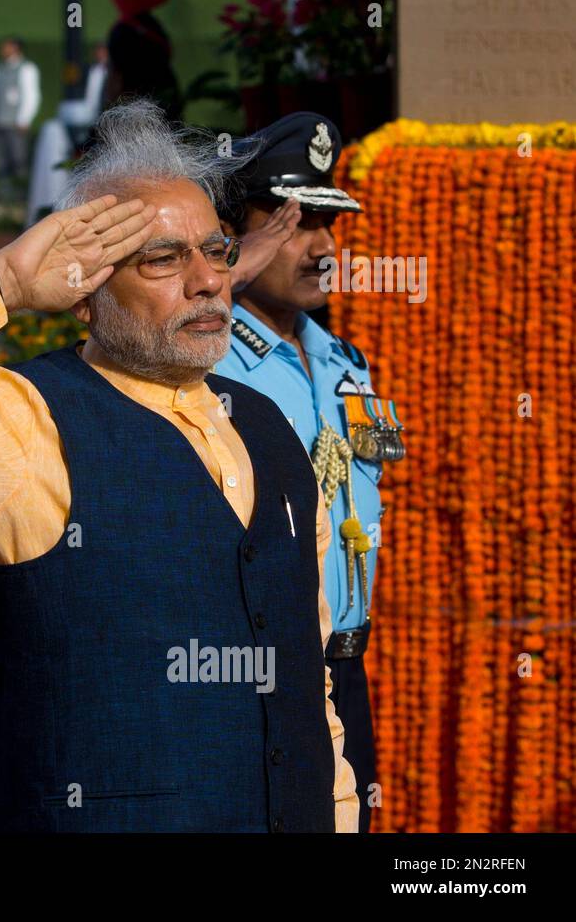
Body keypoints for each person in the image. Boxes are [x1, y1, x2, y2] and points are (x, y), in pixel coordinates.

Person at [0, 99, 358, 832]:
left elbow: (309, 687)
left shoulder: (269, 428)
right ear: (84, 292)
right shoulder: (24, 418)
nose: (208, 280)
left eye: (216, 251)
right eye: (162, 258)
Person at [215, 111, 392, 832]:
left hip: (347, 669)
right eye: (295, 222)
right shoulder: (207, 362)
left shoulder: (347, 364)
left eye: (329, 222)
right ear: (242, 232)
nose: (322, 246)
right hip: (261, 672)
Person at [0, 37, 40, 201]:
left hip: (15, 123)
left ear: (16, 48)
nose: (3, 49)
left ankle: (21, 196)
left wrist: (24, 119)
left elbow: (31, 96)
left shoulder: (27, 68)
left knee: (18, 160)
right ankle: (4, 194)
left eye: (7, 46)